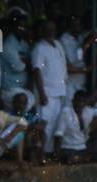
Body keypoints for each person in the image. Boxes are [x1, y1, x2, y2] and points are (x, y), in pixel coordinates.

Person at [31, 19, 69, 157]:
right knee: (44, 124)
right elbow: (36, 71)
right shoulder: (39, 48)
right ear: (43, 31)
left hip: (60, 91)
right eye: (48, 29)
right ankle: (40, 155)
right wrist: (41, 93)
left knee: (55, 123)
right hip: (46, 92)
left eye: (53, 29)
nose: (51, 31)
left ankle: (50, 153)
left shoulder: (58, 44)